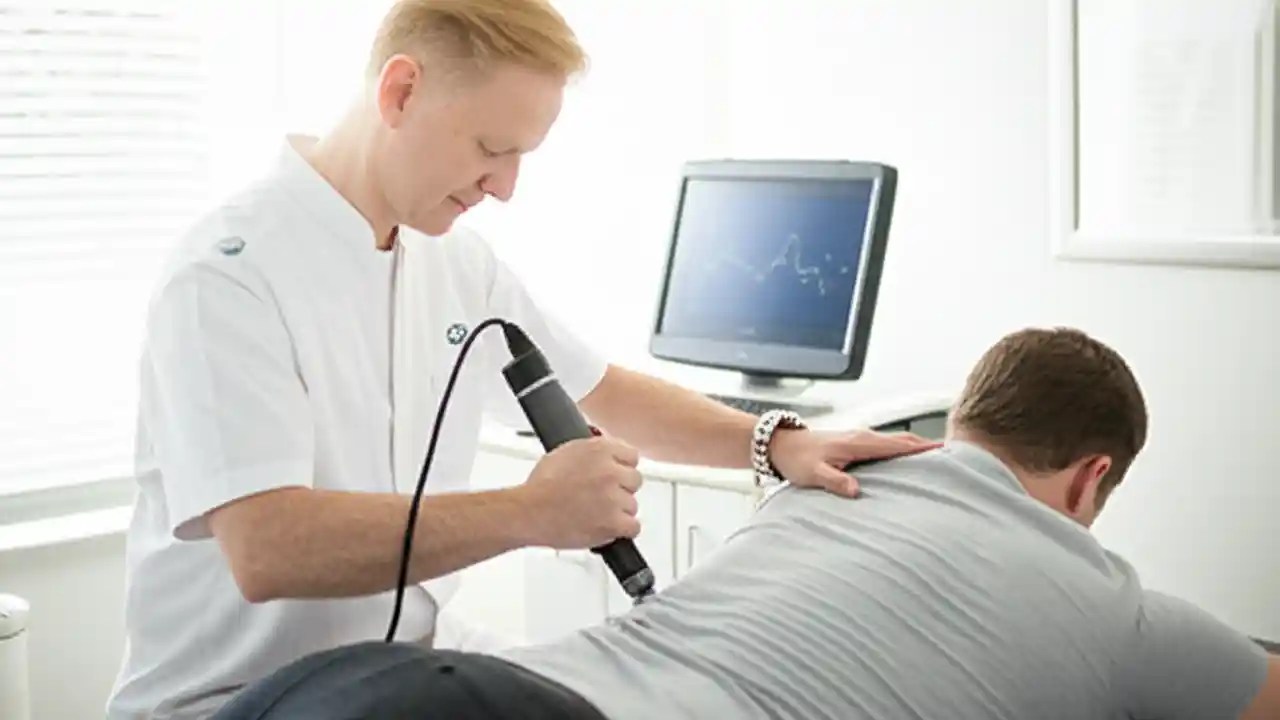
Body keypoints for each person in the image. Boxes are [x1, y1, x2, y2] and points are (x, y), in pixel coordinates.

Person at [105, 1, 940, 717]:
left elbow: (602, 389)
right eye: (490, 149)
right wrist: (529, 512)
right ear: (400, 92)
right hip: (235, 698)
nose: (503, 188)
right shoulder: (227, 277)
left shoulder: (452, 264)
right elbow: (269, 548)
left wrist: (777, 443)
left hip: (394, 669)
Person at [208, 326, 1279, 720]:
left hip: (370, 684)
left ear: (960, 422)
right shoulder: (1112, 606)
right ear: (1090, 481)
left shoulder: (823, 479)